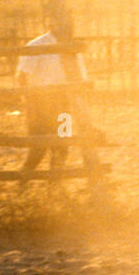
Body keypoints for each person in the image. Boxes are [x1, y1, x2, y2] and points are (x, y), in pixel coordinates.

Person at [15, 21, 88, 183]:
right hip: (40, 104)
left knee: (63, 145)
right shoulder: (37, 45)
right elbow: (22, 76)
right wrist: (30, 105)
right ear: (51, 24)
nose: (67, 26)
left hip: (64, 105)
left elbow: (82, 79)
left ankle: (55, 186)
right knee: (38, 148)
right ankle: (22, 182)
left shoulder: (72, 47)